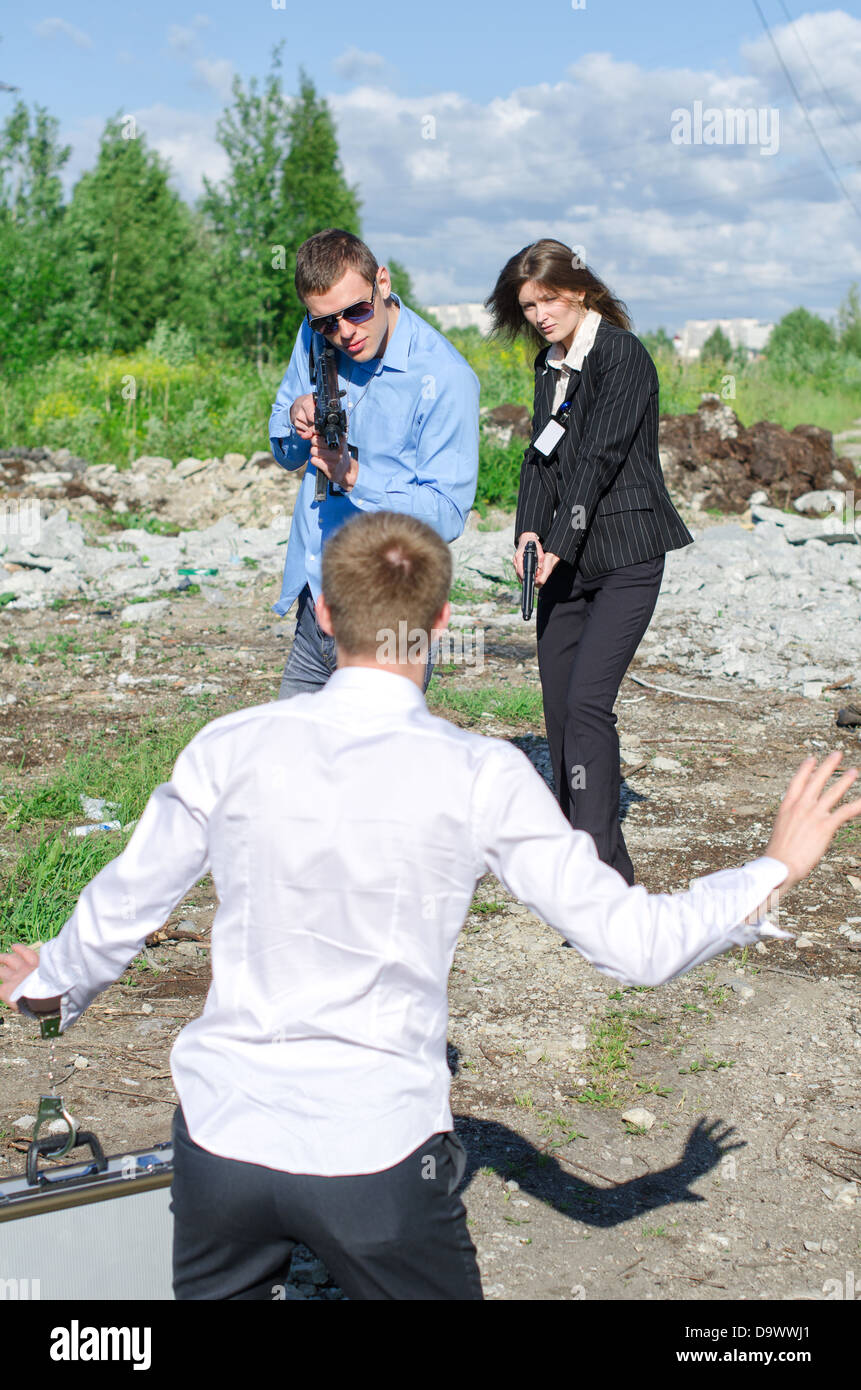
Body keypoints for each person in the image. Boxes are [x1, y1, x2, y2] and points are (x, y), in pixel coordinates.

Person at [1, 510, 858, 1303]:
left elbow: (121, 904)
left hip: (220, 1150)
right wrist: (770, 869)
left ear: (324, 617)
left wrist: (48, 986)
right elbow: (632, 945)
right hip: (375, 1159)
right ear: (440, 625)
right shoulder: (479, 774)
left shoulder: (230, 746)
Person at [486, 238, 694, 884]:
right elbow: (540, 460)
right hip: (560, 563)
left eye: (547, 299)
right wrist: (527, 533)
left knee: (585, 708)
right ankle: (591, 860)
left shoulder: (622, 356)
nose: (539, 315)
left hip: (625, 555)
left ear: (578, 289)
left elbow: (599, 457)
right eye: (528, 306)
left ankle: (595, 878)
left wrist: (558, 543)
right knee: (557, 712)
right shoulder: (550, 367)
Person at [268, 227, 479, 699]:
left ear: (382, 283)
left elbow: (446, 514)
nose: (344, 332)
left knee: (379, 767)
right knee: (293, 764)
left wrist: (354, 476)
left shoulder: (445, 378)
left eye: (357, 311)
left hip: (390, 610)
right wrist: (295, 417)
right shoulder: (313, 337)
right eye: (325, 322)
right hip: (317, 596)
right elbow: (283, 450)